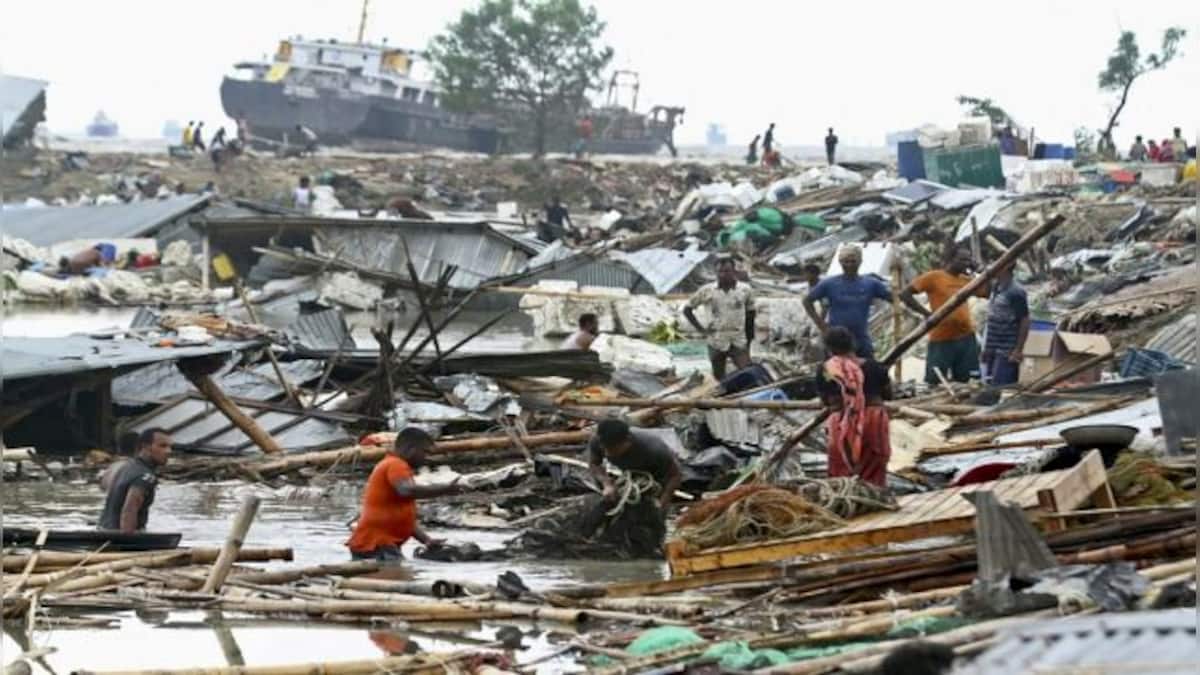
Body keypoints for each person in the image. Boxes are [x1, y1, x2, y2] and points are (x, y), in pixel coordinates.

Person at [345, 428, 463, 561]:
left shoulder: (394, 465)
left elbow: (402, 516)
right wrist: (445, 489)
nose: (425, 458)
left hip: (377, 544)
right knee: (398, 577)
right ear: (411, 449)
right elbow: (407, 491)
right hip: (377, 544)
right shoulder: (396, 464)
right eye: (424, 452)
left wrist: (426, 540)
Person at [899, 248, 988, 384]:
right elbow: (905, 294)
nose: (967, 263)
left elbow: (988, 293)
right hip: (941, 338)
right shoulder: (934, 277)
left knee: (968, 381)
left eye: (968, 260)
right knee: (934, 380)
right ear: (951, 260)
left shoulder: (966, 280)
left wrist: (981, 271)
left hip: (966, 338)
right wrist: (926, 313)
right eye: (963, 260)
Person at [817, 327, 892, 488]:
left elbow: (825, 400)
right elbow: (888, 394)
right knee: (874, 463)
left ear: (830, 349)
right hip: (873, 419)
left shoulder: (826, 370)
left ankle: (845, 500)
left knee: (841, 465)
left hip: (841, 422)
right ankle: (874, 496)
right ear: (853, 345)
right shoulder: (875, 366)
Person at [804, 245, 892, 359]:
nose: (849, 265)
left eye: (853, 261)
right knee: (833, 374)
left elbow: (893, 298)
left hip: (860, 338)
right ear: (840, 263)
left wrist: (900, 291)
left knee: (868, 371)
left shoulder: (871, 284)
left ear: (860, 262)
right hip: (836, 341)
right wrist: (822, 326)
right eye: (846, 261)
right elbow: (807, 301)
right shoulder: (829, 283)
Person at [684, 258, 756, 380]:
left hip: (738, 339)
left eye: (727, 271)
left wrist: (749, 339)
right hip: (716, 340)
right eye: (720, 272)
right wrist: (701, 330)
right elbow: (687, 309)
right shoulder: (707, 291)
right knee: (718, 377)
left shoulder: (745, 290)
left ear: (734, 272)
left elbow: (751, 314)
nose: (723, 275)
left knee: (747, 372)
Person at [587, 419, 681, 513]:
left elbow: (675, 476)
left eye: (612, 449)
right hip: (629, 473)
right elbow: (595, 463)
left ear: (628, 440)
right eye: (604, 448)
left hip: (658, 476)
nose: (607, 454)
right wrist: (606, 483)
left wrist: (663, 502)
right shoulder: (597, 440)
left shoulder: (654, 449)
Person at [97, 428, 172, 533]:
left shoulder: (126, 467)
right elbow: (129, 510)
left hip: (103, 531)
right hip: (120, 539)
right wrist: (128, 542)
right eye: (162, 446)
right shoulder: (145, 476)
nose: (169, 451)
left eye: (170, 447)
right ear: (145, 447)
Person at [981, 261, 1029, 387]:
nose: (992, 267)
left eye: (997, 264)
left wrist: (1018, 350)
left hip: (1006, 350)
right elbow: (984, 292)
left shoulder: (1016, 292)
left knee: (1001, 387)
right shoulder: (996, 286)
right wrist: (987, 349)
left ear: (1006, 266)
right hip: (993, 347)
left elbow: (1025, 320)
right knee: (989, 384)